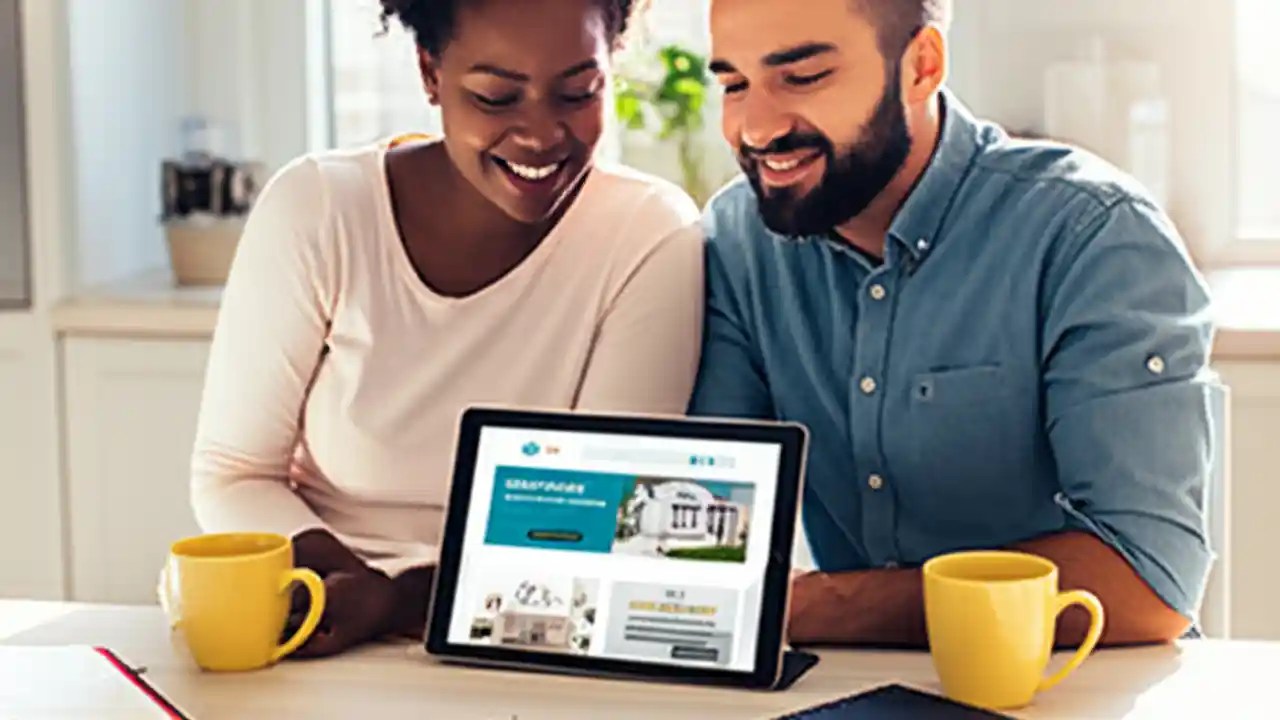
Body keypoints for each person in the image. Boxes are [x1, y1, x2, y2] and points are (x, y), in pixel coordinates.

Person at [691, 0, 1216, 648]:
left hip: (1076, 682)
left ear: (922, 66)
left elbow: (1147, 581)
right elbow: (708, 528)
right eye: (734, 85)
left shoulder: (1091, 233)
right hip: (851, 684)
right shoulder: (738, 242)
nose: (755, 128)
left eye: (803, 78)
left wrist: (809, 608)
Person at [190, 0, 702, 658]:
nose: (541, 135)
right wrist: (348, 587)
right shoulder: (320, 208)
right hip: (319, 617)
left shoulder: (648, 233)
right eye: (496, 97)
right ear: (430, 73)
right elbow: (233, 473)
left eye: (578, 93)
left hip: (537, 634)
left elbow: (599, 517)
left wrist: (395, 601)